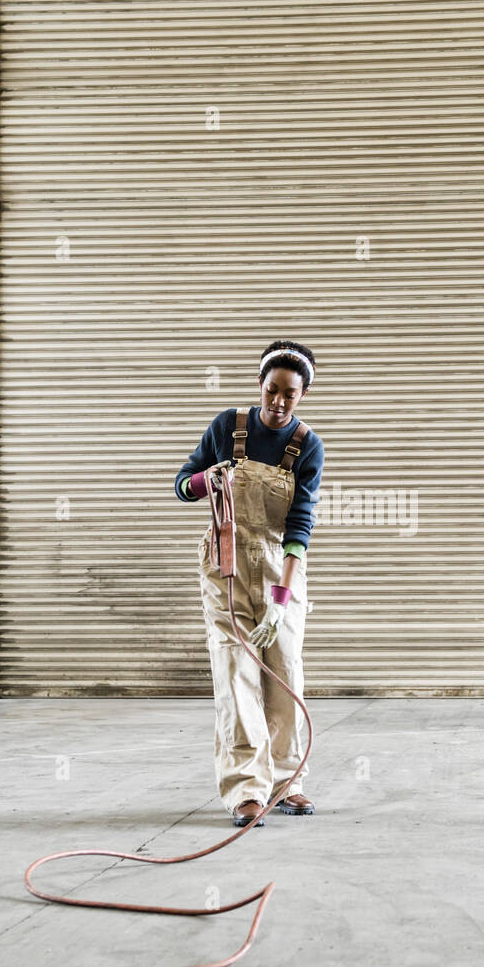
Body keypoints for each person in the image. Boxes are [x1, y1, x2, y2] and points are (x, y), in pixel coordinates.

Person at [174, 341, 324, 828]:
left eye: (290, 394)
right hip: (225, 567)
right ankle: (245, 791)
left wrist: (281, 598)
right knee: (235, 673)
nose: (279, 402)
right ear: (261, 385)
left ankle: (287, 784)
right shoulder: (227, 427)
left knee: (284, 673)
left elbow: (300, 526)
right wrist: (203, 481)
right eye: (272, 389)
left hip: (280, 569)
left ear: (302, 395)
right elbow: (181, 483)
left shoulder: (308, 445)